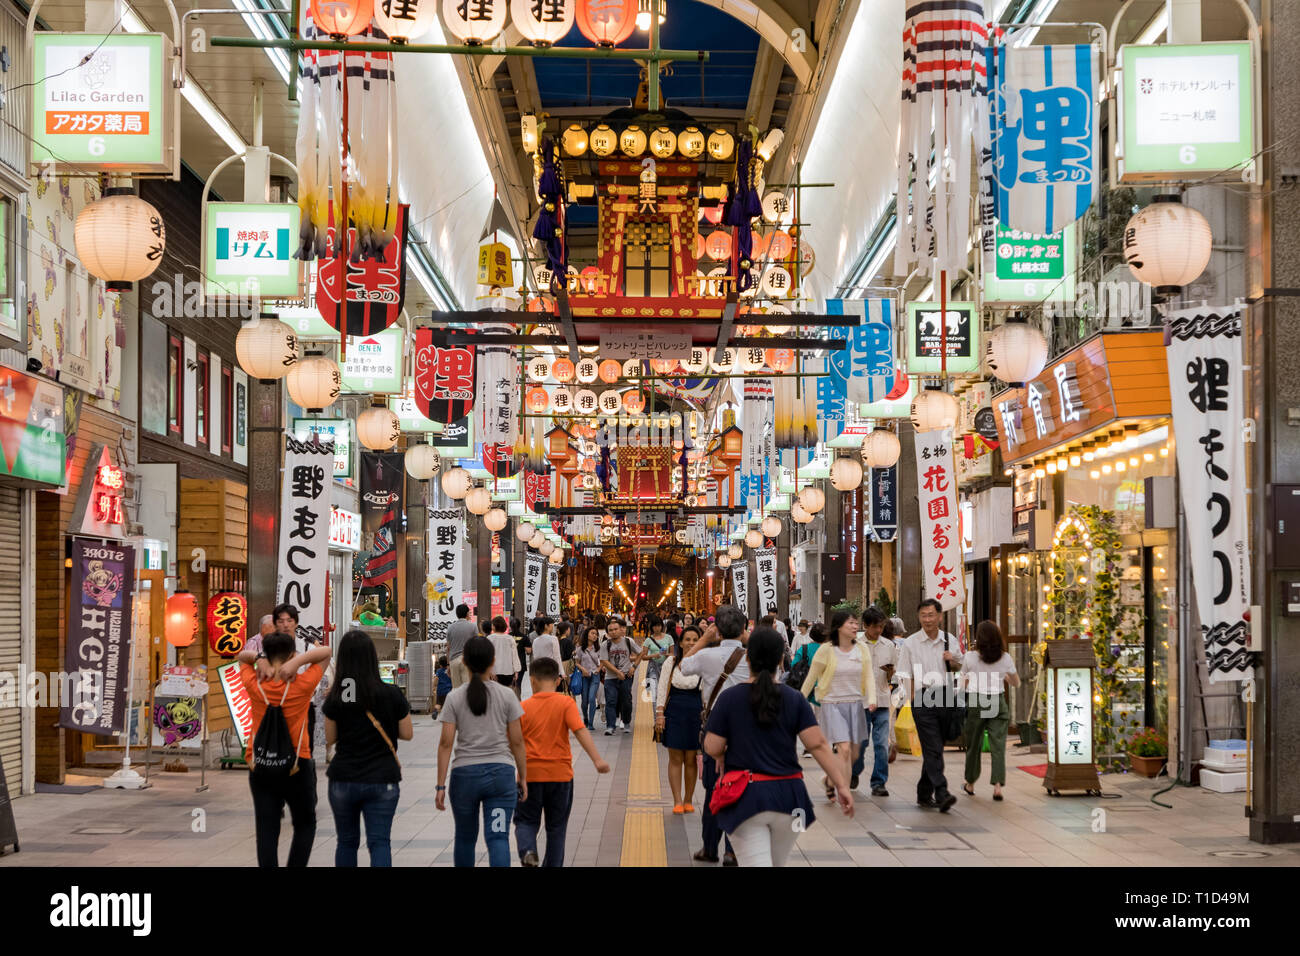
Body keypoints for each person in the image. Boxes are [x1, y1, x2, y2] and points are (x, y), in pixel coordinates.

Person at [703, 627, 853, 867]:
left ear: (747, 658)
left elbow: (711, 745)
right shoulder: (794, 698)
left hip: (745, 798)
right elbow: (818, 745)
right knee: (776, 863)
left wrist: (721, 753)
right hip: (790, 800)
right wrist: (842, 786)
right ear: (781, 660)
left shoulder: (730, 698)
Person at [236, 634, 331, 867]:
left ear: (267, 653)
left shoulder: (255, 683)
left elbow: (241, 656)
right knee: (305, 824)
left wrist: (259, 659)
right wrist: (297, 663)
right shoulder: (302, 684)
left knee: (267, 828)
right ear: (292, 654)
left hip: (260, 765)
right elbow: (326, 652)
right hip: (297, 764)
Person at [322, 630, 413, 867]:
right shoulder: (391, 694)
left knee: (346, 842)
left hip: (344, 778)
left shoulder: (337, 696)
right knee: (379, 842)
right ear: (372, 658)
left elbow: (330, 739)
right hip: (382, 778)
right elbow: (407, 734)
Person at [436, 636, 527, 867]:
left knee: (465, 839)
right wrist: (523, 777)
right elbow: (517, 741)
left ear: (464, 662)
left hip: (464, 777)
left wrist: (440, 786)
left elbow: (446, 743)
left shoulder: (454, 697)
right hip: (501, 775)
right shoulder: (507, 695)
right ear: (493, 661)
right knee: (498, 838)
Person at [515, 658, 611, 866]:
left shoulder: (523, 707)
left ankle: (528, 850)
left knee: (525, 821)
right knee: (556, 828)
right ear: (558, 681)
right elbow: (580, 731)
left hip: (530, 775)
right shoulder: (565, 703)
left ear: (532, 681)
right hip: (560, 776)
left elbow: (515, 744)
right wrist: (597, 760)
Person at [679, 604, 751, 866]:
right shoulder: (752, 656)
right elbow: (775, 665)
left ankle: (710, 848)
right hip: (746, 730)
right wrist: (749, 639)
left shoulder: (707, 656)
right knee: (741, 787)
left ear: (717, 630)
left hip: (714, 729)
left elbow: (683, 667)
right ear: (743, 629)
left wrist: (705, 640)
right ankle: (733, 850)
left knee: (713, 790)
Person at [800, 610, 877, 801]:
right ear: (839, 627)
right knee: (844, 749)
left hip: (855, 703)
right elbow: (812, 677)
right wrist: (800, 699)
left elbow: (868, 675)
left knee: (854, 753)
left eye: (855, 623)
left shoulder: (862, 648)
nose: (854, 626)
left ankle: (829, 780)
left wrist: (872, 698)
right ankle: (844, 791)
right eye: (850, 623)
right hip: (832, 703)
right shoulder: (826, 649)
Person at [897, 598, 962, 813]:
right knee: (933, 746)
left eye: (931, 615)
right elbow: (904, 672)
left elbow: (961, 666)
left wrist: (953, 659)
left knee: (935, 747)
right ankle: (941, 792)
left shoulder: (949, 640)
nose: (927, 619)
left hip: (945, 696)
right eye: (923, 615)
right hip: (922, 697)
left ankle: (924, 793)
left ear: (940, 616)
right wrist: (913, 699)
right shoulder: (911, 643)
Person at [960, 620, 1020, 801]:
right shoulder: (1005, 657)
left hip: (976, 700)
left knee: (973, 745)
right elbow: (1017, 682)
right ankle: (998, 786)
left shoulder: (970, 657)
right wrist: (1007, 679)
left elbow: (963, 681)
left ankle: (970, 783)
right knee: (998, 745)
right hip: (997, 701)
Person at [655, 624, 703, 813]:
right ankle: (676, 800)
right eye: (687, 639)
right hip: (674, 710)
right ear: (681, 642)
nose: (691, 643)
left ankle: (688, 799)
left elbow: (707, 691)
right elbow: (662, 687)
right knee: (675, 757)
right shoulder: (671, 661)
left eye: (695, 639)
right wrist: (660, 714)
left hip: (696, 711)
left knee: (691, 757)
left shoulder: (703, 662)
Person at [850, 607, 897, 796]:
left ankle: (879, 782)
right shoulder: (855, 645)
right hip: (861, 702)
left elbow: (895, 673)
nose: (879, 630)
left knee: (881, 744)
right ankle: (853, 771)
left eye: (881, 626)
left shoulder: (889, 646)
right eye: (875, 626)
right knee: (861, 744)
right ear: (865, 626)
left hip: (883, 700)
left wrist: (891, 673)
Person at [599, 618, 640, 734]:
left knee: (626, 701)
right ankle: (610, 726)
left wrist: (634, 667)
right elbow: (604, 661)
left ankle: (626, 722)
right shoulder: (605, 644)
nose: (613, 632)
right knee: (611, 701)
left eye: (615, 629)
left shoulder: (628, 641)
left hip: (626, 677)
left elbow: (641, 653)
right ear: (607, 632)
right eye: (610, 630)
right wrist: (617, 672)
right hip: (610, 678)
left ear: (620, 630)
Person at [574, 626, 603, 729]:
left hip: (595, 676)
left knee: (591, 698)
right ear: (587, 635)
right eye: (592, 633)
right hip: (584, 677)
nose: (595, 636)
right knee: (584, 701)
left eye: (596, 634)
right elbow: (576, 663)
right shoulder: (580, 649)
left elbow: (602, 662)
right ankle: (585, 718)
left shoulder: (599, 648)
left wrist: (598, 670)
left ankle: (591, 723)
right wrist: (583, 669)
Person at [445, 604, 478, 689]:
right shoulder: (473, 626)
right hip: (467, 660)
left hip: (454, 661)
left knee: (456, 689)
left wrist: (448, 664)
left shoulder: (450, 627)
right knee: (468, 688)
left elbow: (448, 648)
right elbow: (476, 646)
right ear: (467, 613)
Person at [487, 615, 520, 690]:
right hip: (508, 671)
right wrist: (516, 671)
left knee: (495, 695)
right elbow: (514, 656)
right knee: (506, 693)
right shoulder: (510, 638)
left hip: (493, 672)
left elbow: (487, 656)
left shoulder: (490, 638)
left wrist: (488, 670)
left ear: (494, 626)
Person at [641, 617, 672, 694]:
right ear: (651, 627)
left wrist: (667, 654)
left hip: (665, 666)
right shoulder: (648, 640)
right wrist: (653, 655)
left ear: (662, 626)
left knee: (664, 689)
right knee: (654, 689)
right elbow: (643, 657)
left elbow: (672, 654)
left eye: (658, 625)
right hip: (653, 667)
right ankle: (655, 705)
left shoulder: (668, 638)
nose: (657, 628)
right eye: (654, 626)